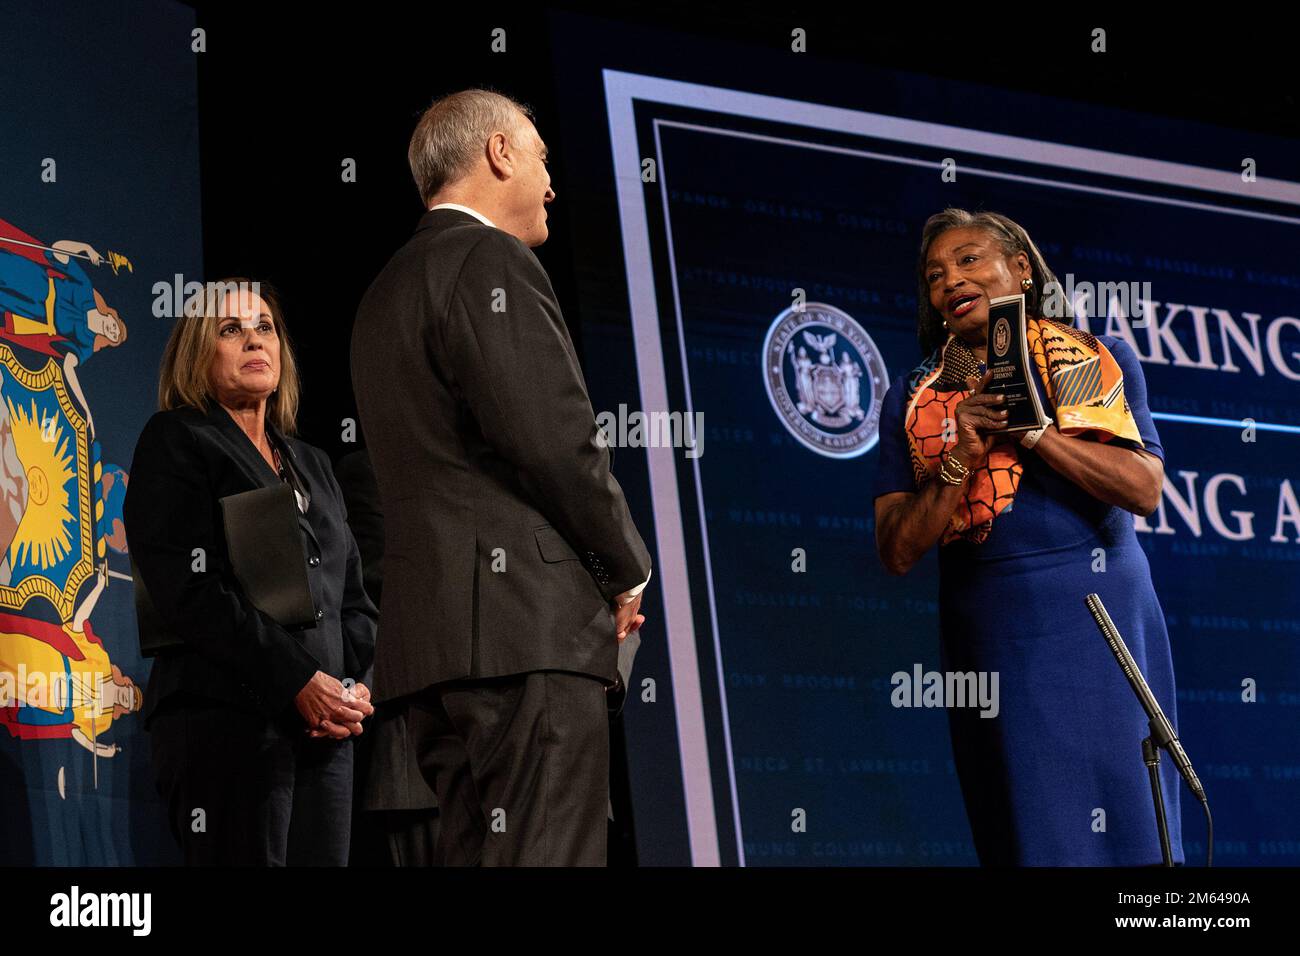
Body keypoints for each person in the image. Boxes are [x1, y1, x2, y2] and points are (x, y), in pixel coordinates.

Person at [351, 89, 651, 866]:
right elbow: (554, 444)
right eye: (544, 157)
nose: (552, 183)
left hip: (431, 655)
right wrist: (626, 566)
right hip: (524, 639)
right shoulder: (490, 260)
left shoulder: (383, 291)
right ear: (500, 153)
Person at [873, 208, 1183, 866]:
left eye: (968, 260)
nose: (950, 279)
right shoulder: (918, 397)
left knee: (1133, 825)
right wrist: (961, 455)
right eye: (934, 274)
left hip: (1103, 615)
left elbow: (1143, 489)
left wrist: (1035, 430)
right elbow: (897, 549)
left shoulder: (1082, 357)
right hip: (996, 628)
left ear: (1019, 269)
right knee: (1032, 828)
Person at [124, 278, 377, 865]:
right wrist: (297, 682)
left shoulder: (311, 463)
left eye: (265, 327)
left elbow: (353, 599)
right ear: (197, 352)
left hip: (323, 737)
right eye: (230, 330)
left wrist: (348, 688)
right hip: (225, 725)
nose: (254, 341)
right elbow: (190, 590)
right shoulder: (178, 440)